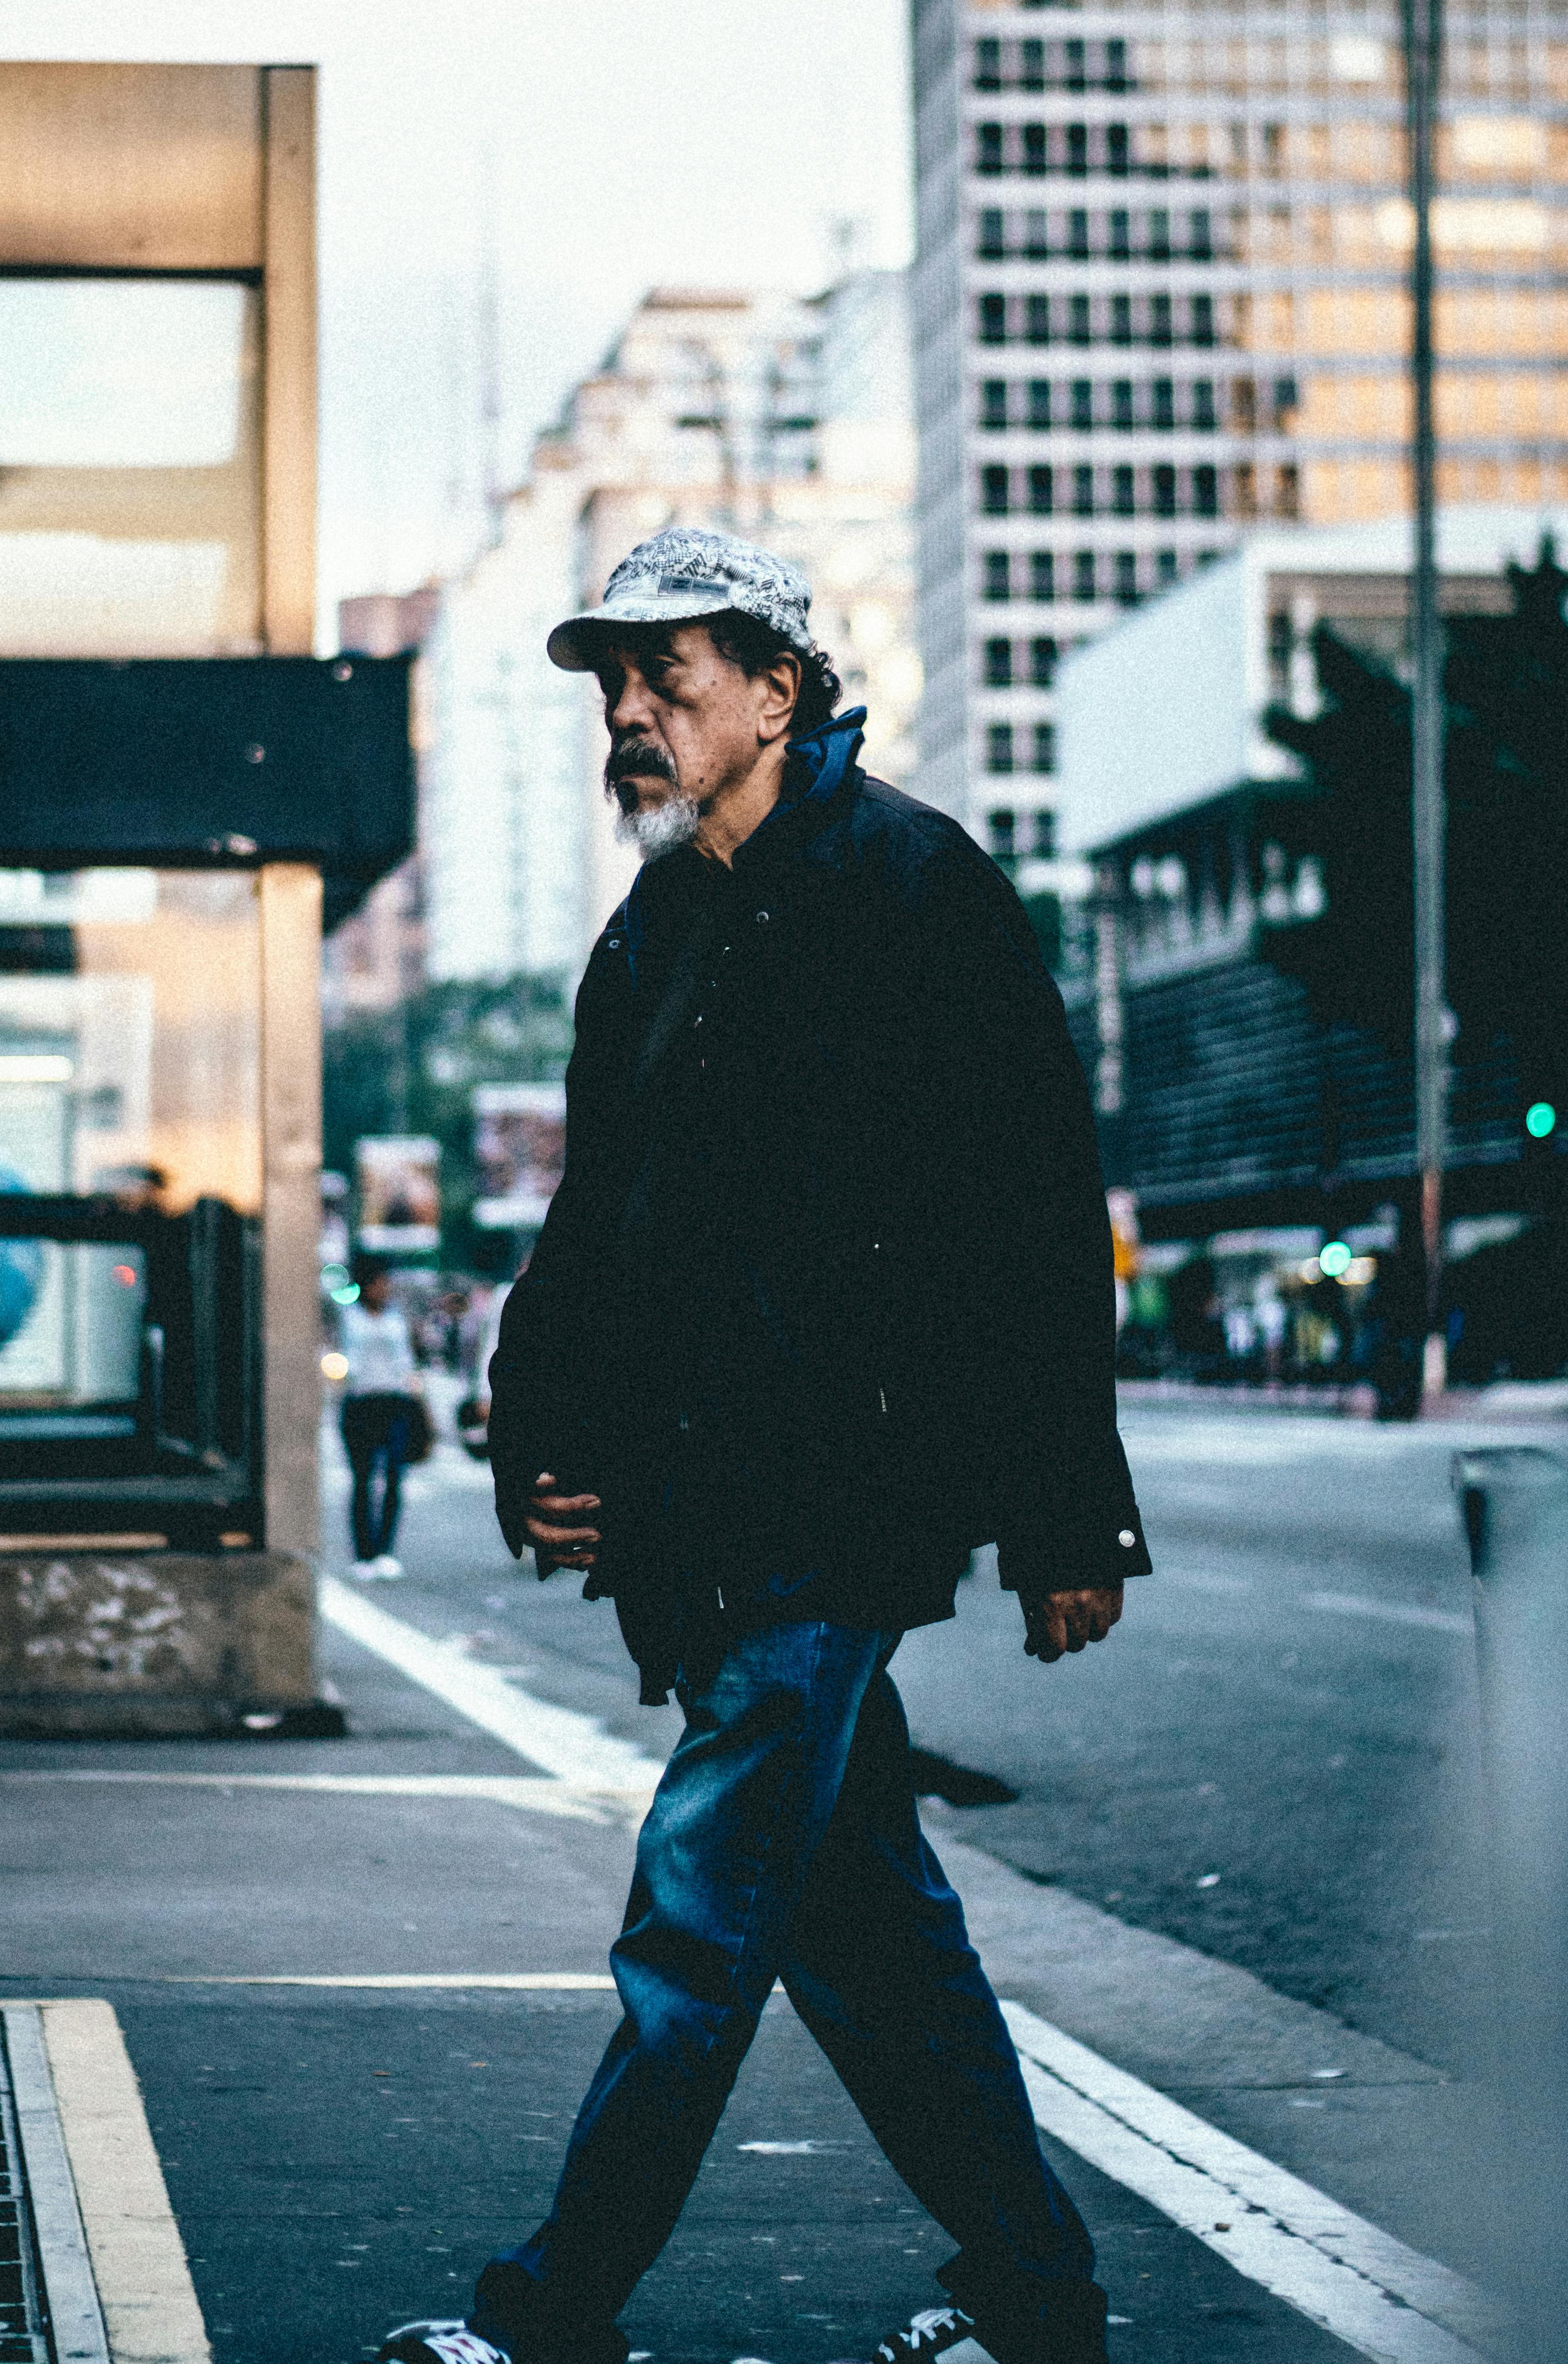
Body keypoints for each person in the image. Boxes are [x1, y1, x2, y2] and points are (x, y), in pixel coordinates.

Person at [374, 526, 1151, 2364]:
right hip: (708, 1511)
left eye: (668, 678)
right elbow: (600, 1225)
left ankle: (544, 2315)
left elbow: (1029, 1213)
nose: (628, 714)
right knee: (869, 1941)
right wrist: (536, 1440)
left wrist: (1062, 1513)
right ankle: (1037, 2302)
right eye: (610, 687)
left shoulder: (912, 887)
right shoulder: (653, 932)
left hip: (842, 1507)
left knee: (695, 1927)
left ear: (776, 691)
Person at [336, 1260, 423, 1580]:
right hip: (361, 1402)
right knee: (362, 1479)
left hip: (395, 1401)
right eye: (378, 1283)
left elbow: (407, 1362)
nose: (383, 1289)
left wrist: (417, 1396)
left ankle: (386, 1550)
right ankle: (364, 1553)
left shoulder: (396, 1318)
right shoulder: (349, 1318)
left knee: (394, 1478)